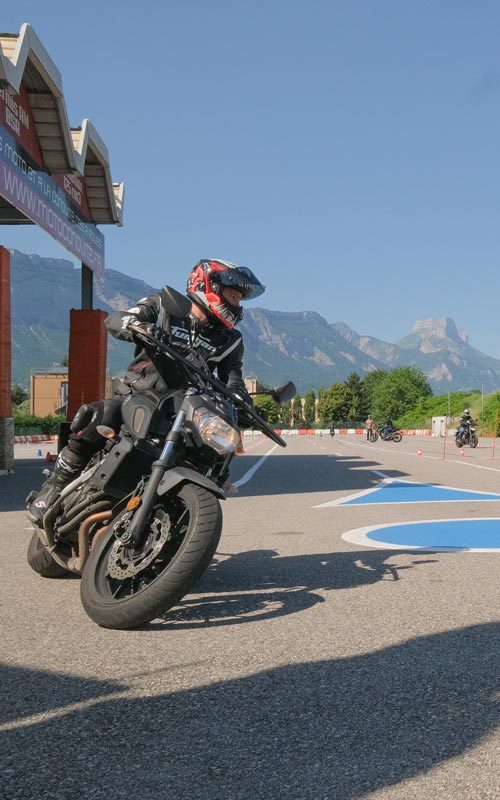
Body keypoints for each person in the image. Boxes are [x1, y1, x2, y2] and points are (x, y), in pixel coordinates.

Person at [28, 259, 265, 523]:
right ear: (208, 284)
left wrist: (245, 403)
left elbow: (233, 380)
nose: (236, 305)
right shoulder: (163, 306)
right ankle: (55, 487)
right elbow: (118, 319)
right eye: (233, 296)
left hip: (183, 410)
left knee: (212, 451)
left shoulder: (230, 339)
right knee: (100, 416)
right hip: (138, 393)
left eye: (239, 299)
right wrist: (137, 326)